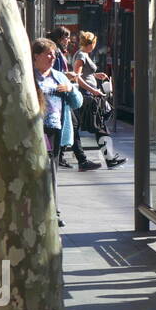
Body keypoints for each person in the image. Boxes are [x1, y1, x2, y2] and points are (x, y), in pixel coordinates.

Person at [33, 38, 81, 233]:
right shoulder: (28, 76)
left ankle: (54, 212)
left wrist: (70, 89)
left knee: (51, 171)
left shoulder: (59, 76)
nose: (53, 57)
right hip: (32, 130)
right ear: (36, 56)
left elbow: (77, 103)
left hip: (53, 130)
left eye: (54, 54)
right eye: (48, 54)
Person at [70, 30, 126, 169]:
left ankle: (107, 159)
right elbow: (77, 76)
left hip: (88, 95)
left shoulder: (82, 54)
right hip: (87, 97)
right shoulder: (81, 55)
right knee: (99, 126)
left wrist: (95, 75)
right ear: (91, 43)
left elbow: (85, 74)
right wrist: (93, 90)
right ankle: (108, 159)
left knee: (97, 127)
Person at [48, 26, 100, 171]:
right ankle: (73, 158)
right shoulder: (58, 53)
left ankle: (65, 157)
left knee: (73, 125)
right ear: (59, 39)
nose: (68, 40)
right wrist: (68, 76)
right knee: (72, 125)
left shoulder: (60, 52)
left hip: (63, 96)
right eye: (66, 37)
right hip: (61, 97)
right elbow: (57, 74)